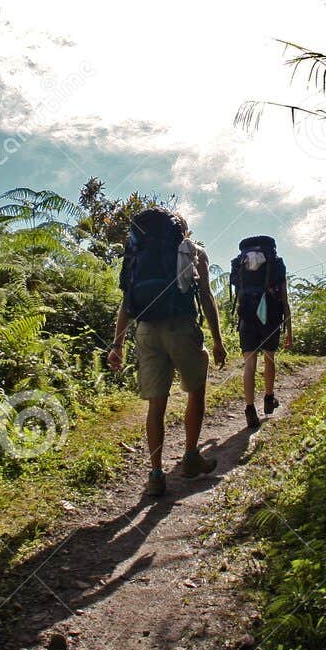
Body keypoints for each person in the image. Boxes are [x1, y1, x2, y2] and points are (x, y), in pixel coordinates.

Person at [106, 209, 228, 496]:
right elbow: (206, 296)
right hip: (180, 327)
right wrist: (217, 340)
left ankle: (156, 474)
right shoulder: (193, 251)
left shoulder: (136, 255)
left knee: (156, 404)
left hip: (145, 331)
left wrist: (117, 344)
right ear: (182, 230)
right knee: (196, 390)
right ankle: (190, 457)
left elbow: (126, 302)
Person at [230, 235, 293, 430]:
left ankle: (250, 410)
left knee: (249, 365)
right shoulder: (276, 264)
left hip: (247, 316)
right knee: (269, 358)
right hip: (270, 316)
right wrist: (289, 330)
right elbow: (284, 300)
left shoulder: (240, 264)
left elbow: (239, 293)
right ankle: (269, 398)